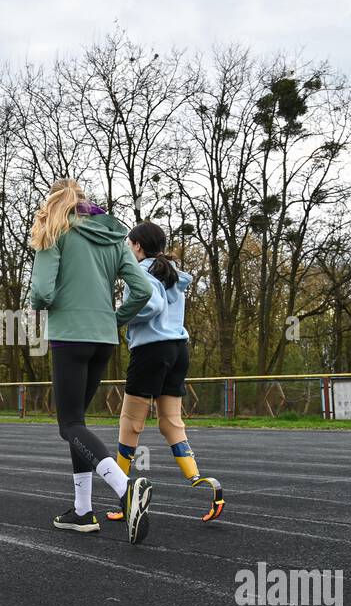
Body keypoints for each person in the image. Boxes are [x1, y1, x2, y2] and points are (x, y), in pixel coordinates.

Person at [30, 178, 156, 544]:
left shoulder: (54, 228)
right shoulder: (114, 234)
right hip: (103, 339)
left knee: (68, 425)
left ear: (54, 201)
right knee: (78, 426)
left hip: (70, 336)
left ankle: (125, 488)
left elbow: (41, 291)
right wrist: (114, 319)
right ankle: (82, 512)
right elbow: (143, 289)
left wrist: (39, 305)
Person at [104, 222, 225, 524]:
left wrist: (114, 318)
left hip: (151, 352)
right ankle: (201, 481)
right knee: (171, 421)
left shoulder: (142, 273)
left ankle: (124, 496)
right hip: (178, 351)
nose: (126, 251)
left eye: (128, 245)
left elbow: (150, 303)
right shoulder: (171, 274)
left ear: (138, 247)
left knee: (131, 423)